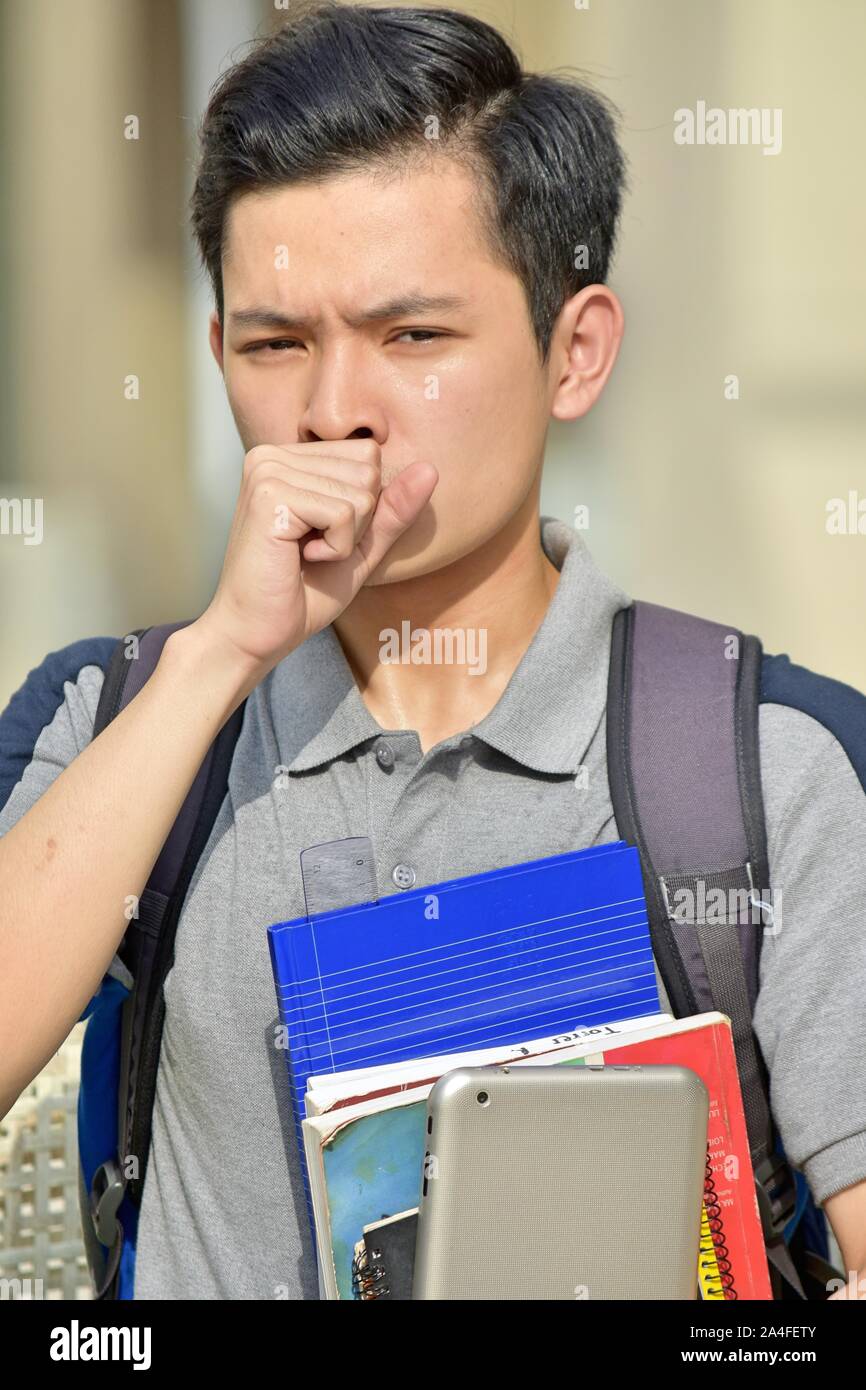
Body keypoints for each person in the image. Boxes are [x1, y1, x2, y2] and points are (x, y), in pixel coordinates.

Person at [1, 2, 864, 1300]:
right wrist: (223, 649)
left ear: (573, 352)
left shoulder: (770, 767)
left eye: (413, 338)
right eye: (274, 342)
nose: (334, 410)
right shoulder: (110, 712)